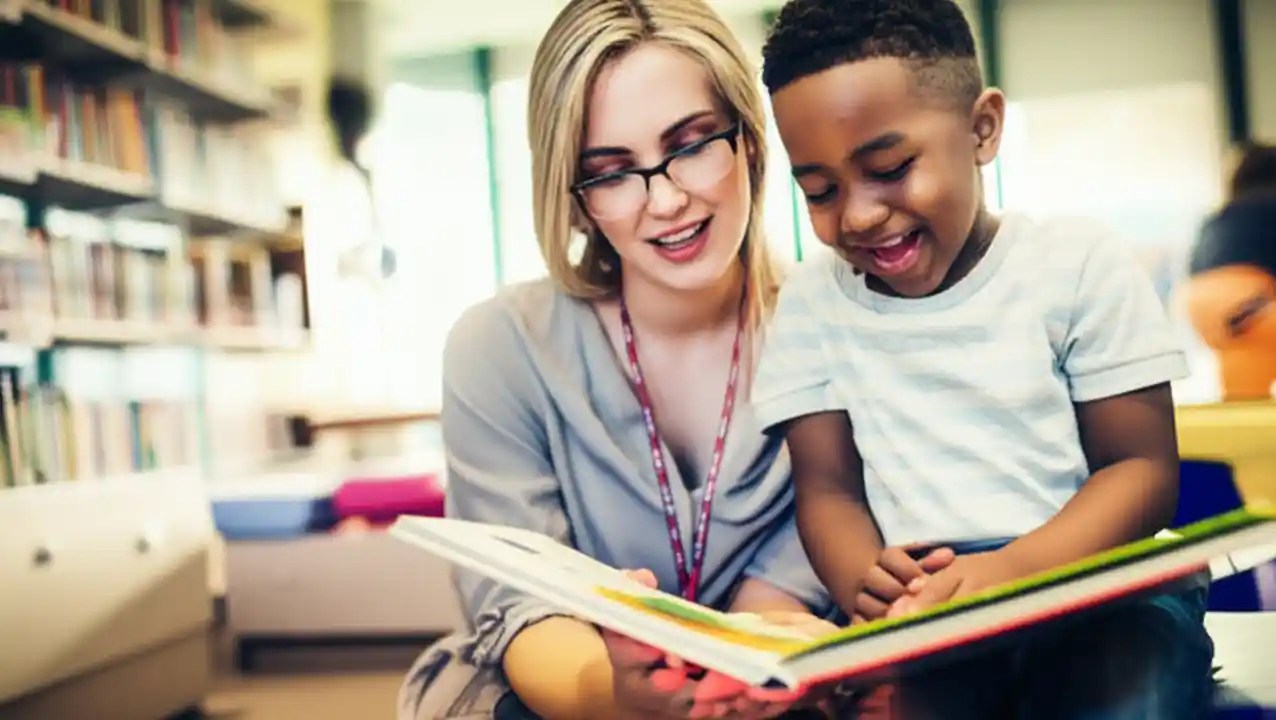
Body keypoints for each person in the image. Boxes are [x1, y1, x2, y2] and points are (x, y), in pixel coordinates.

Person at [749, 0, 1217, 717]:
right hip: (935, 605)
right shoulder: (813, 304)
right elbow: (828, 490)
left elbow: (1142, 471)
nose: (859, 215)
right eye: (820, 190)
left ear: (982, 129)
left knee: (1130, 697)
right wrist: (861, 581)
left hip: (1100, 590)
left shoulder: (1076, 265)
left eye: (891, 167)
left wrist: (1011, 571)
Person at [396, 1, 846, 718]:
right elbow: (522, 610)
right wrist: (622, 700)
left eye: (694, 143)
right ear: (575, 201)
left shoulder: (844, 324)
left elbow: (801, 583)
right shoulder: (500, 348)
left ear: (749, 141)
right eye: (611, 173)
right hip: (568, 689)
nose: (666, 199)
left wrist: (750, 664)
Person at [1186, 141, 1276, 400]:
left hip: (1201, 310)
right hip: (1252, 303)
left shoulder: (1218, 218)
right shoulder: (1274, 206)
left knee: (1249, 365)